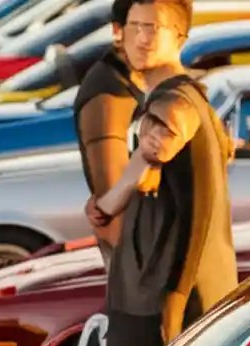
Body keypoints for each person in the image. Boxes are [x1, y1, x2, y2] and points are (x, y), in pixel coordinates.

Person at [86, 0, 236, 346]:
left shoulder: (176, 100)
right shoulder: (193, 98)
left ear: (180, 37)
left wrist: (105, 205)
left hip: (157, 293)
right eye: (135, 25)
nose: (142, 37)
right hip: (172, 291)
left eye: (154, 28)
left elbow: (161, 140)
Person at [74, 0, 143, 268]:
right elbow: (111, 198)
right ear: (118, 31)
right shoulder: (108, 95)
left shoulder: (134, 80)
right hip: (138, 267)